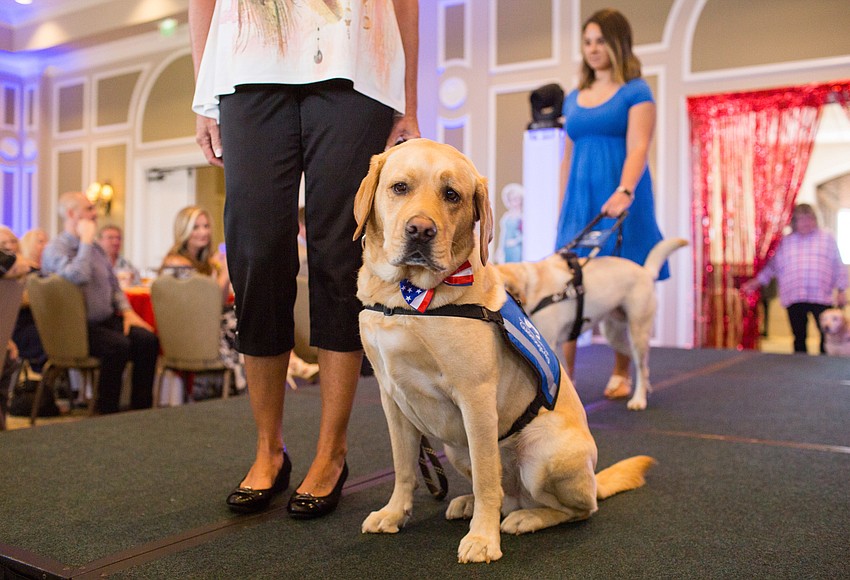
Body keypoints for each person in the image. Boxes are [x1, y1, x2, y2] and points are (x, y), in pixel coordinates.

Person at [190, 0, 420, 517]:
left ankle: (331, 452)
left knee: (341, 252)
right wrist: (204, 96)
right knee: (254, 251)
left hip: (356, 66)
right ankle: (268, 448)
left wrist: (407, 103)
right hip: (247, 64)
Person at [554, 8, 668, 399]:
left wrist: (625, 191)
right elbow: (566, 158)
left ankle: (622, 372)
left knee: (621, 286)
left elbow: (639, 145)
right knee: (568, 286)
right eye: (587, 42)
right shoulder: (572, 98)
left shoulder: (636, 90)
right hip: (580, 200)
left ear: (617, 43)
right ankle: (563, 379)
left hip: (621, 197)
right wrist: (561, 204)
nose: (593, 49)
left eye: (600, 40)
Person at [41, 191, 159, 414]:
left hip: (104, 322)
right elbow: (78, 276)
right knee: (118, 347)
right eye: (89, 209)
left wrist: (127, 312)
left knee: (147, 341)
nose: (95, 214)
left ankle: (142, 411)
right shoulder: (56, 249)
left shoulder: (96, 249)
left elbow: (114, 285)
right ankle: (106, 414)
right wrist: (85, 241)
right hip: (74, 328)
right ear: (71, 214)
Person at [159, 205, 246, 395]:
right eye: (196, 227)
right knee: (245, 321)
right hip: (191, 334)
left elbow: (217, 303)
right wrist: (225, 272)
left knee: (247, 316)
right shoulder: (176, 263)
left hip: (206, 328)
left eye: (206, 226)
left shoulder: (203, 264)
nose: (203, 232)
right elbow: (210, 305)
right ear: (184, 230)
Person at [742, 203, 847, 354]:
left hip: (822, 295)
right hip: (794, 295)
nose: (806, 223)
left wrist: (842, 290)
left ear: (815, 219)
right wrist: (755, 282)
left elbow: (838, 266)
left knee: (826, 335)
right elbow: (772, 267)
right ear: (794, 222)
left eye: (809, 218)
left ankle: (825, 369)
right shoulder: (785, 241)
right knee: (799, 336)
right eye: (801, 219)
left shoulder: (827, 238)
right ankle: (800, 370)